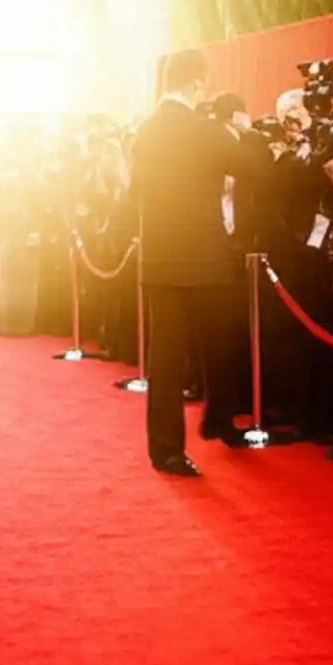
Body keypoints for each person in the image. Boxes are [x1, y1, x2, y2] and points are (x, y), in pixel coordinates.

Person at [130, 49, 267, 477]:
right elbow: (252, 168)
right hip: (205, 257)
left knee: (165, 358)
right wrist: (245, 133)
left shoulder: (144, 131)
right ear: (195, 83)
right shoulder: (205, 130)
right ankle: (220, 420)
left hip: (159, 257)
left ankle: (167, 450)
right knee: (221, 343)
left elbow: (136, 190)